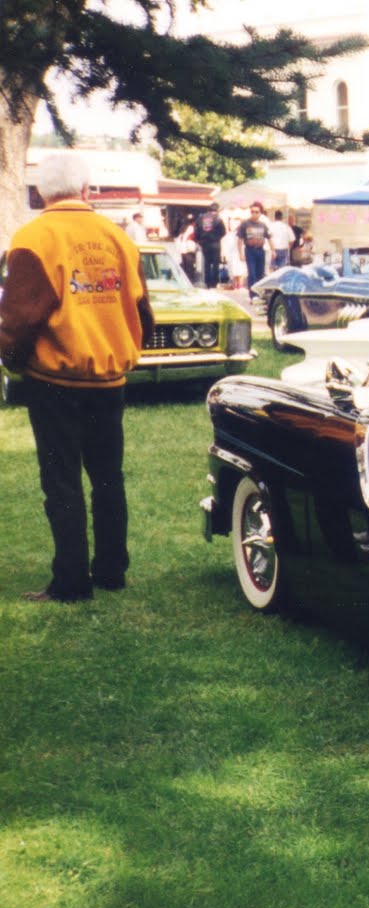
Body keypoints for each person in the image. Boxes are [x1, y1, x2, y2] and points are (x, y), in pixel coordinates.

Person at [0, 152, 153, 603]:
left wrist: (12, 361)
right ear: (87, 191)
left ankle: (70, 581)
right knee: (108, 476)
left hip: (55, 379)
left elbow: (19, 320)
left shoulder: (33, 238)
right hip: (109, 377)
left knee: (61, 479)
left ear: (41, 192)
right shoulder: (117, 237)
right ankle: (110, 570)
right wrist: (125, 351)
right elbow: (142, 309)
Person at [235, 202, 271, 295]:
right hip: (250, 251)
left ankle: (259, 294)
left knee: (260, 274)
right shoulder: (245, 224)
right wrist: (240, 254)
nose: (254, 214)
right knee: (252, 274)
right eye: (252, 212)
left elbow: (269, 237)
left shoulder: (263, 225)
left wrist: (273, 250)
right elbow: (239, 239)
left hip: (260, 251)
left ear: (260, 213)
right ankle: (253, 295)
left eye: (256, 212)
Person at [194, 201, 226, 288]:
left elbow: (196, 230)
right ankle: (214, 283)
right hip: (215, 243)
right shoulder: (218, 218)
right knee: (215, 264)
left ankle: (207, 282)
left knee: (207, 264)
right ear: (217, 210)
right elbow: (223, 231)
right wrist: (217, 237)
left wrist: (199, 240)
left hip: (205, 243)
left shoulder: (201, 218)